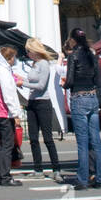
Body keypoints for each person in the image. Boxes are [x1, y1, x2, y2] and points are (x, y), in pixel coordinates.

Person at [64, 29, 101, 190]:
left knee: (82, 142)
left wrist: (64, 84)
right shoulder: (92, 54)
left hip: (79, 98)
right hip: (92, 97)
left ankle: (82, 179)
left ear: (73, 40)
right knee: (96, 140)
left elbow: (69, 80)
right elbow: (98, 77)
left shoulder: (73, 55)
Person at [22, 37, 65, 182]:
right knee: (33, 138)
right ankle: (38, 168)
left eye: (28, 50)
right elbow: (31, 81)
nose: (27, 53)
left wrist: (24, 83)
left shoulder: (44, 64)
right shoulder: (34, 64)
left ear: (34, 50)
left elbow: (41, 86)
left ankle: (56, 169)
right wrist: (20, 81)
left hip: (43, 103)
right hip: (32, 102)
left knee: (48, 138)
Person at [0, 45, 23, 187]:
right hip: (5, 112)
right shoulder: (3, 72)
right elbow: (8, 95)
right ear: (9, 58)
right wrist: (16, 113)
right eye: (13, 57)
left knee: (3, 144)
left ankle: (1, 174)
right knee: (7, 145)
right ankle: (5, 176)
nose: (14, 59)